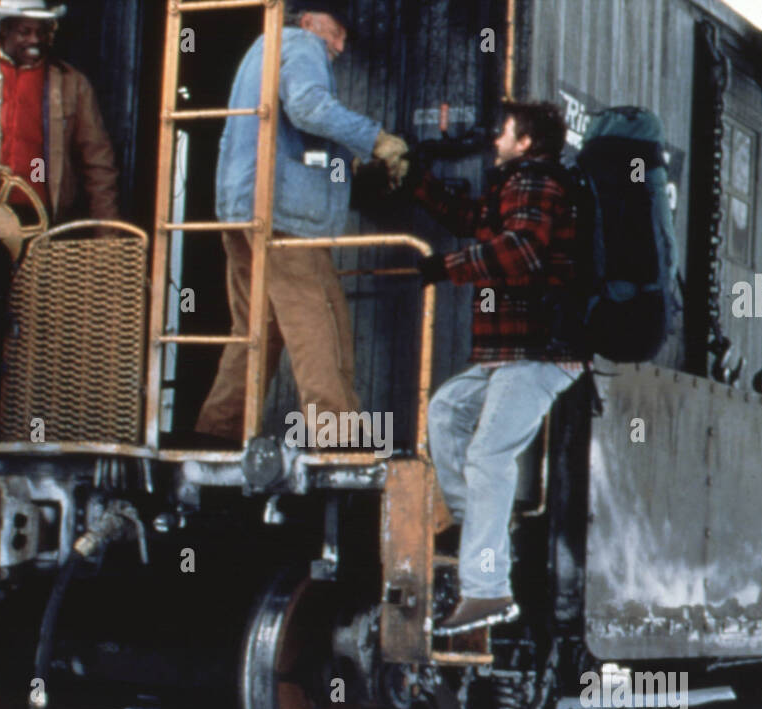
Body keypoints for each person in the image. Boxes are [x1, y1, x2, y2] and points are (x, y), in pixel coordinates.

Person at [194, 1, 411, 445]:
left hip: (243, 208)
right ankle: (336, 432)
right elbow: (309, 108)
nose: (340, 44)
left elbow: (305, 144)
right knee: (320, 317)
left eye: (344, 38)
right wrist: (377, 139)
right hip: (283, 216)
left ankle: (216, 432)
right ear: (309, 20)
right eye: (336, 32)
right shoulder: (301, 43)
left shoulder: (264, 50)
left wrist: (350, 170)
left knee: (256, 329)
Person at [413, 100, 584, 635]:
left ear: (526, 141)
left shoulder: (537, 181)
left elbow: (522, 252)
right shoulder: (513, 184)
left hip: (540, 352)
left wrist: (446, 267)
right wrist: (416, 182)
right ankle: (478, 533)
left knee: (488, 456)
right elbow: (474, 221)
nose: (494, 139)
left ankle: (488, 592)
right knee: (444, 413)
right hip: (507, 355)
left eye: (503, 131)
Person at [0, 0, 120, 256]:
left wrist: (107, 239)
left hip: (45, 224)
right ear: (4, 30)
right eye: (25, 31)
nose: (35, 39)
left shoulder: (73, 84)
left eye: (42, 31)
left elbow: (99, 163)